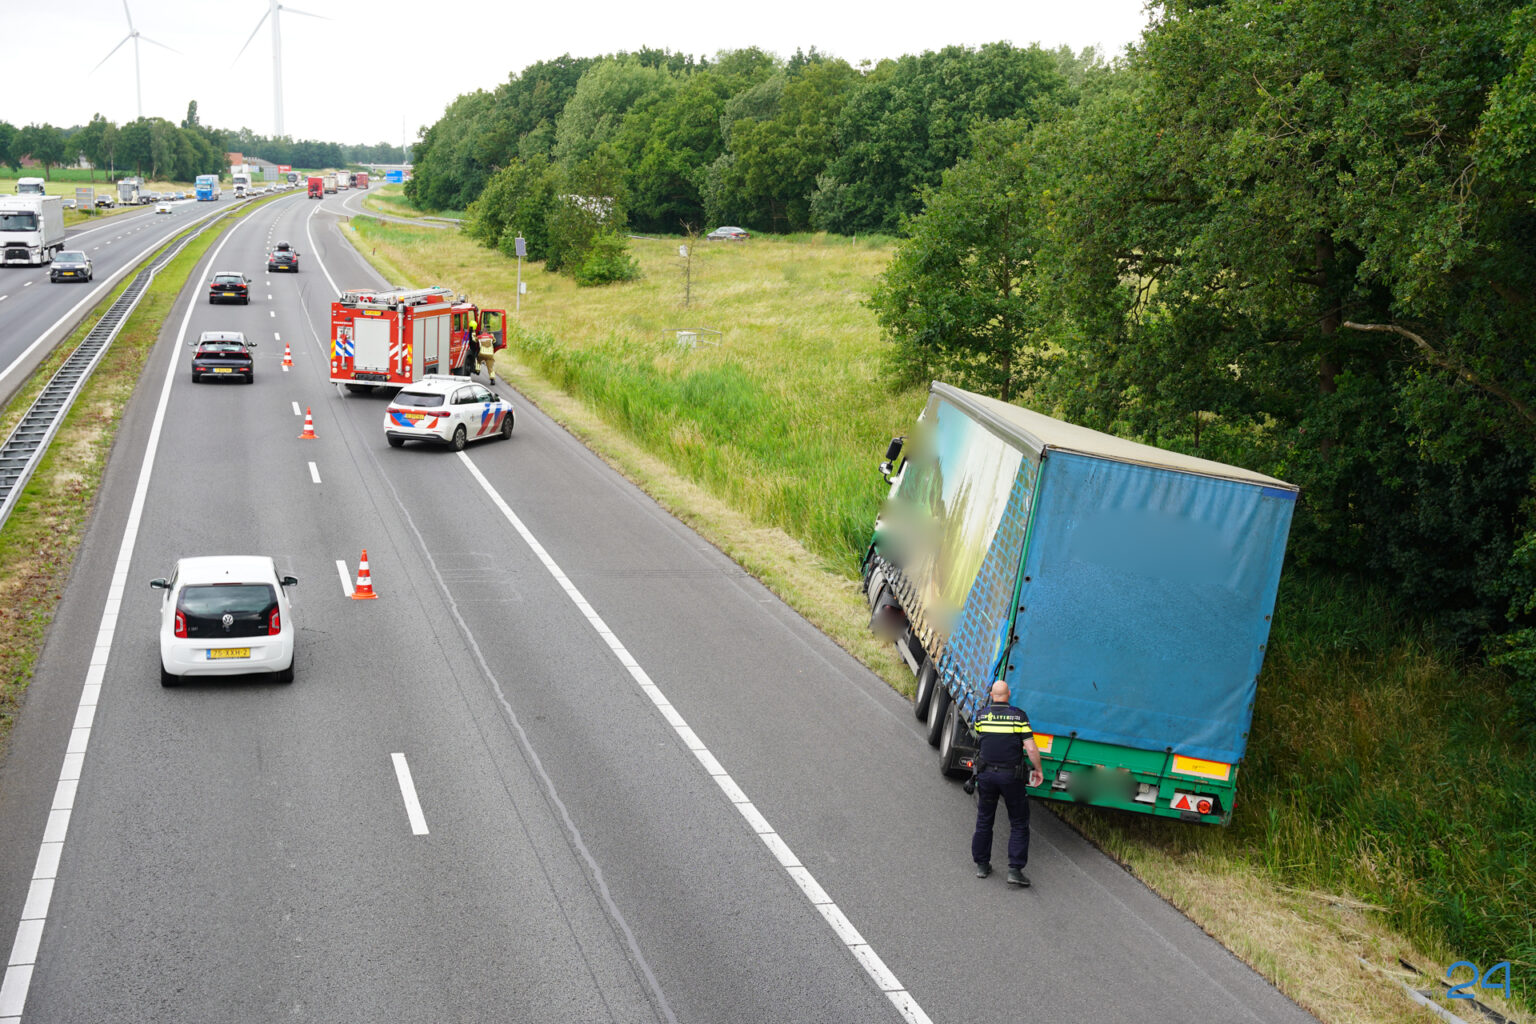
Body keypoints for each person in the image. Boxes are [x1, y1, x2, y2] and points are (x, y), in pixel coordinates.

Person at [971, 679, 1045, 886]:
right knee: (1019, 822)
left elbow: (979, 738)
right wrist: (1038, 769)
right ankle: (1014, 870)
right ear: (1009, 694)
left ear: (992, 695)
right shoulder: (1018, 717)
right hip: (1011, 777)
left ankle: (982, 865)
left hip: (986, 775)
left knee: (985, 819)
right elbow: (1030, 748)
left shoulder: (981, 716)